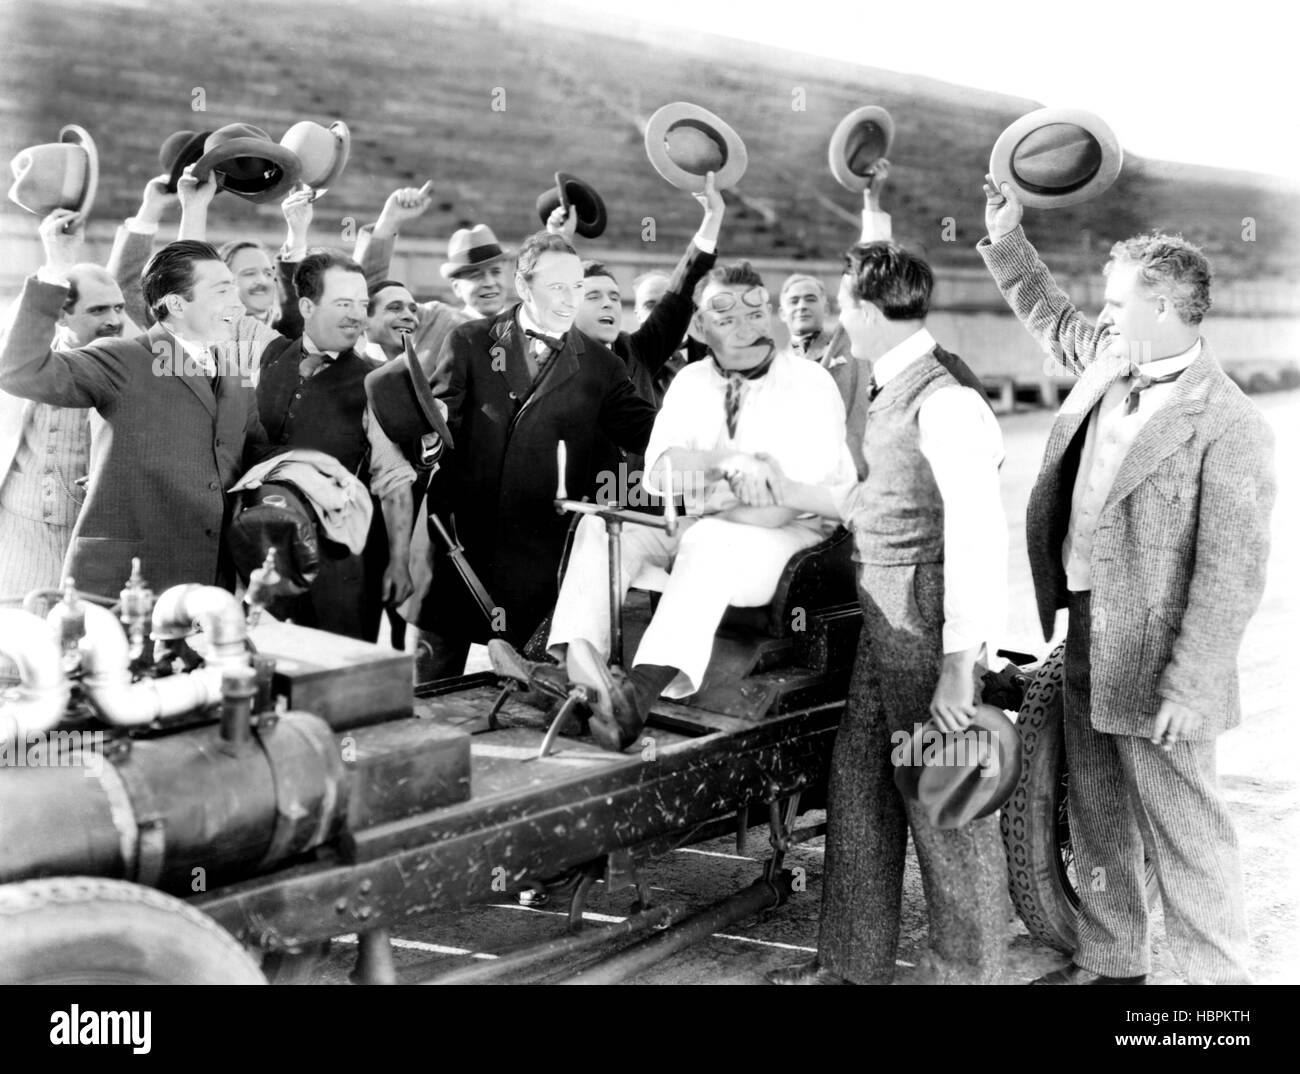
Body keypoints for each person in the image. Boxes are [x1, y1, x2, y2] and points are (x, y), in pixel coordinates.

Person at [979, 175, 1276, 984]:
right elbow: (1050, 316)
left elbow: (1229, 577)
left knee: (1188, 838)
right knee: (1099, 814)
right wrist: (1007, 238)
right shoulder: (1113, 358)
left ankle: (1219, 994)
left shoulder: (1233, 426)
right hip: (1085, 629)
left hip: (1162, 665)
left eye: (1117, 302)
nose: (1102, 314)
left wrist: (1191, 685)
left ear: (1167, 308)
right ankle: (1116, 965)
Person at [764, 241, 1010, 984]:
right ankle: (851, 968)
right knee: (861, 788)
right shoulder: (893, 384)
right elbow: (878, 502)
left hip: (924, 620)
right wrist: (782, 487)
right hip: (884, 618)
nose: (838, 318)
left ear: (868, 312)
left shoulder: (945, 400)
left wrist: (960, 667)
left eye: (842, 304)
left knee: (946, 803)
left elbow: (977, 536)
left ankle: (968, 976)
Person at [542, 261, 856, 750]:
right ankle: (573, 674)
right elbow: (660, 475)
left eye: (754, 313)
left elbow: (780, 506)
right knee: (602, 527)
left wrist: (703, 487)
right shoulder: (691, 382)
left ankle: (636, 697)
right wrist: (726, 465)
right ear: (700, 327)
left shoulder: (810, 384)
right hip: (702, 521)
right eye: (724, 316)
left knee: (708, 538)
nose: (743, 327)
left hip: (795, 541)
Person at [414, 231, 658, 680]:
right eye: (557, 287)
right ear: (523, 286)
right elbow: (439, 420)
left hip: (537, 556)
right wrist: (427, 436)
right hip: (461, 546)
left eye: (577, 286)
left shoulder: (602, 366)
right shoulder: (469, 340)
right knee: (431, 685)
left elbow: (646, 429)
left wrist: (700, 439)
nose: (570, 299)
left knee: (527, 689)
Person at [0, 211, 277, 597]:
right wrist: (56, 269)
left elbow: (257, 456)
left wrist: (312, 474)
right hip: (121, 590)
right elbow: (19, 371)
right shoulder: (121, 358)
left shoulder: (234, 373)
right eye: (222, 291)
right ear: (177, 304)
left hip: (208, 591)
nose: (238, 303)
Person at [255, 251, 417, 642]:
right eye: (344, 304)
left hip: (338, 569)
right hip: (260, 553)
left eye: (362, 304)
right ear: (307, 307)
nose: (357, 316)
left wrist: (399, 562)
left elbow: (394, 483)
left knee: (333, 666)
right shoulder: (267, 356)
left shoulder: (376, 383)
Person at [1, 215, 131, 604]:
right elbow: (20, 344)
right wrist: (57, 262)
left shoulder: (131, 363)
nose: (114, 320)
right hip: (20, 531)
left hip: (91, 536)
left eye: (118, 308)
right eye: (98, 310)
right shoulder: (21, 349)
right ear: (61, 314)